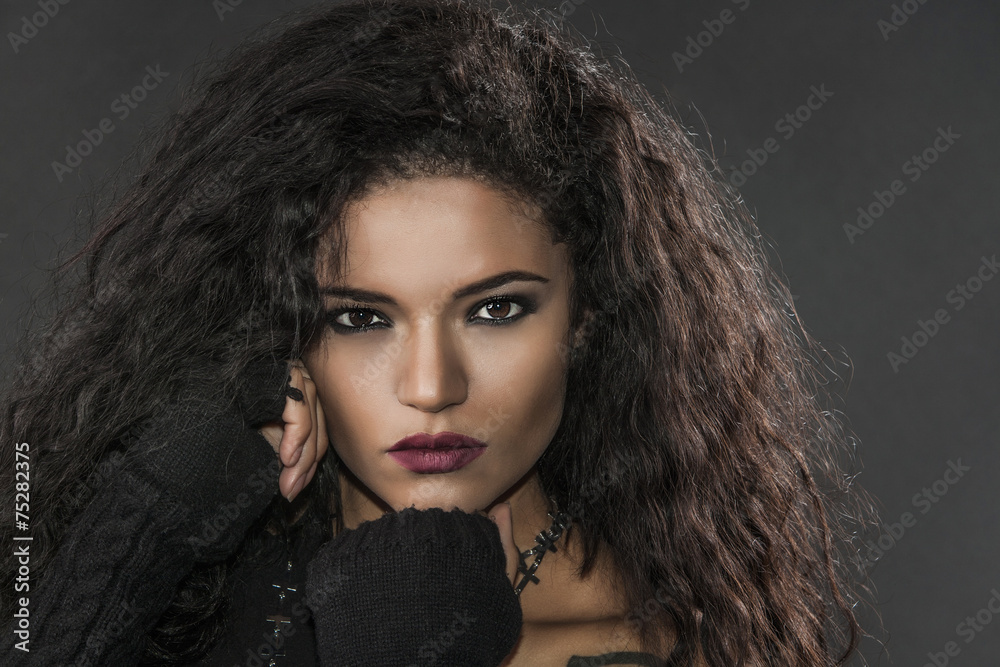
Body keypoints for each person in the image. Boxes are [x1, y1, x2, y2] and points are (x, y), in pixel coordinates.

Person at [0, 0, 877, 664]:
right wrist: (147, 514)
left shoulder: (657, 643)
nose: (429, 385)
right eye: (360, 318)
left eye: (496, 309)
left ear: (588, 316)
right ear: (288, 331)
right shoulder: (201, 584)